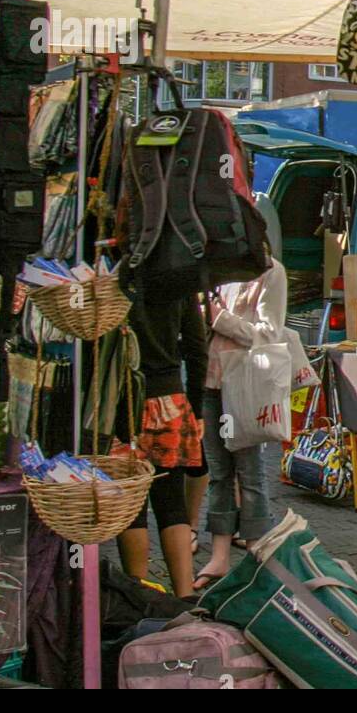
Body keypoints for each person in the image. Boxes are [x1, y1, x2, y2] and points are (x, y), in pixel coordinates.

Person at [193, 235, 310, 591]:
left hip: (245, 382)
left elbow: (269, 333)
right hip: (211, 379)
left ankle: (260, 552)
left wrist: (220, 319)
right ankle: (220, 554)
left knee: (249, 469)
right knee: (218, 471)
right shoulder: (216, 269)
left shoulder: (271, 272)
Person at [119, 292, 207, 599]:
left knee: (131, 507)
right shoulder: (179, 276)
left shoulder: (115, 279)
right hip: (170, 399)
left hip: (123, 401)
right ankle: (185, 596)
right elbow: (197, 349)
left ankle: (139, 595)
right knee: (172, 502)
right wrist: (197, 409)